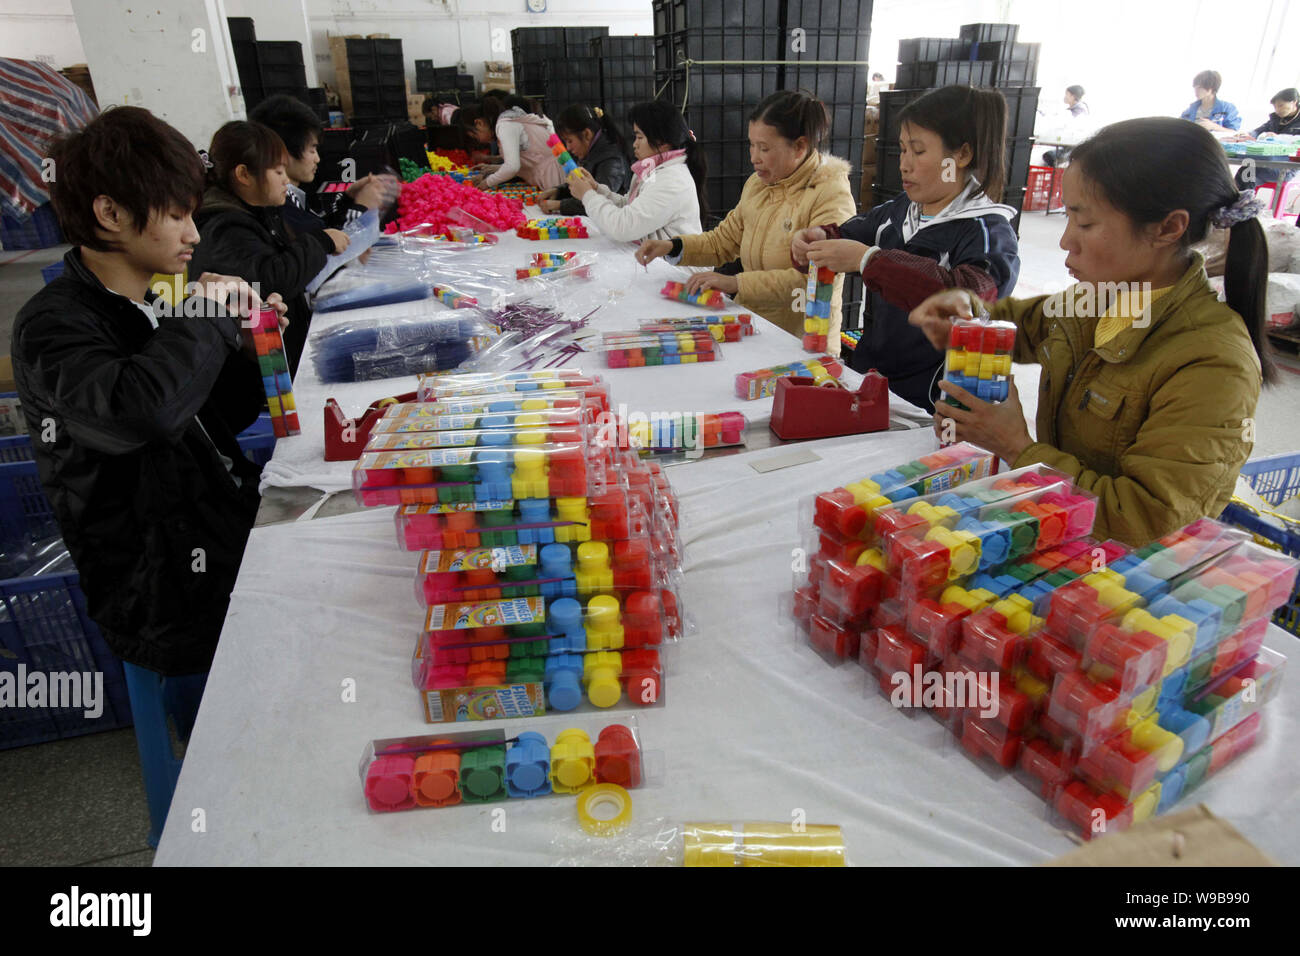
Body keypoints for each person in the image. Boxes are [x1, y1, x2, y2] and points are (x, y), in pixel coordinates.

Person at [10, 105, 285, 677]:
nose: (193, 233)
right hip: (166, 592)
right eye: (177, 214)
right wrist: (205, 318)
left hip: (222, 532)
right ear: (109, 212)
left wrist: (241, 343)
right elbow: (140, 416)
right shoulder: (52, 326)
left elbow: (209, 421)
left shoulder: (156, 301)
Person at [908, 117, 1272, 546]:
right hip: (1060, 528)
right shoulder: (1103, 297)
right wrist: (966, 315)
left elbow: (1149, 521)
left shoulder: (1213, 361)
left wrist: (1016, 447)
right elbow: (1026, 324)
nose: (1065, 241)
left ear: (1168, 227)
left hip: (1121, 579)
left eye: (1084, 224)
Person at [791, 85, 1020, 411]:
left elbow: (967, 298)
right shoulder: (900, 210)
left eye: (919, 151)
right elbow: (846, 233)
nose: (904, 164)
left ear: (961, 156)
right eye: (902, 150)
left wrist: (868, 260)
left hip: (931, 407)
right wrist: (815, 238)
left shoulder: (987, 231)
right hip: (871, 382)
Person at [635, 90, 856, 350]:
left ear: (799, 147)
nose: (754, 157)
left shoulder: (830, 196)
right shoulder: (759, 184)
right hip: (756, 327)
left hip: (802, 343)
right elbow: (723, 240)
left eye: (764, 148)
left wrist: (735, 283)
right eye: (751, 145)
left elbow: (812, 280)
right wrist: (673, 247)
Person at [190, 120, 348, 377]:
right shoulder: (224, 227)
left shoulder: (259, 211)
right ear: (243, 175)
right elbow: (270, 279)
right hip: (253, 371)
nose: (286, 179)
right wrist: (321, 242)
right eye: (278, 172)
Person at [249, 94, 395, 233]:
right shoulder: (280, 205)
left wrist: (349, 200)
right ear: (284, 152)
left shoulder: (292, 197)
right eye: (312, 150)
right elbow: (333, 252)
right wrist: (361, 207)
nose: (317, 159)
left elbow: (322, 231)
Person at [566, 100, 706, 243]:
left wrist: (587, 195)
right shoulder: (653, 170)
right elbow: (629, 206)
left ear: (662, 142)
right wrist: (596, 189)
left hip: (674, 265)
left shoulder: (671, 180)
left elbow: (623, 228)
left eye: (639, 137)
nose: (635, 144)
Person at [538, 104, 631, 215]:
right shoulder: (591, 152)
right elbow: (583, 186)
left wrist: (560, 205)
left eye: (570, 141)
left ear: (587, 134)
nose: (568, 148)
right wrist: (559, 191)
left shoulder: (612, 159)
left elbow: (599, 199)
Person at [460, 95, 563, 190]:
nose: (479, 141)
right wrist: (494, 169)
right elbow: (523, 161)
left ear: (479, 123)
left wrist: (486, 183)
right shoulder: (508, 123)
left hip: (551, 175)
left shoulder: (505, 126)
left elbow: (512, 167)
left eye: (475, 136)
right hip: (550, 171)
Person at [1229, 88, 1300, 191]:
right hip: (1267, 163)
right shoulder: (1275, 119)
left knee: (1249, 172)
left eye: (1281, 105)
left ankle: (1242, 201)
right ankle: (1242, 200)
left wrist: (1278, 138)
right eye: (1275, 107)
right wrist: (1247, 134)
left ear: (1294, 102)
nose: (1277, 110)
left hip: (1287, 168)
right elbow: (1259, 130)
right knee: (1246, 171)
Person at [1042, 85, 1089, 166]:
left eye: (1066, 94)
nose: (1065, 97)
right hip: (1067, 145)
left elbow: (1069, 127)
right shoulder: (1074, 110)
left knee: (1049, 156)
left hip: (1072, 147)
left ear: (1073, 96)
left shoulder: (1079, 111)